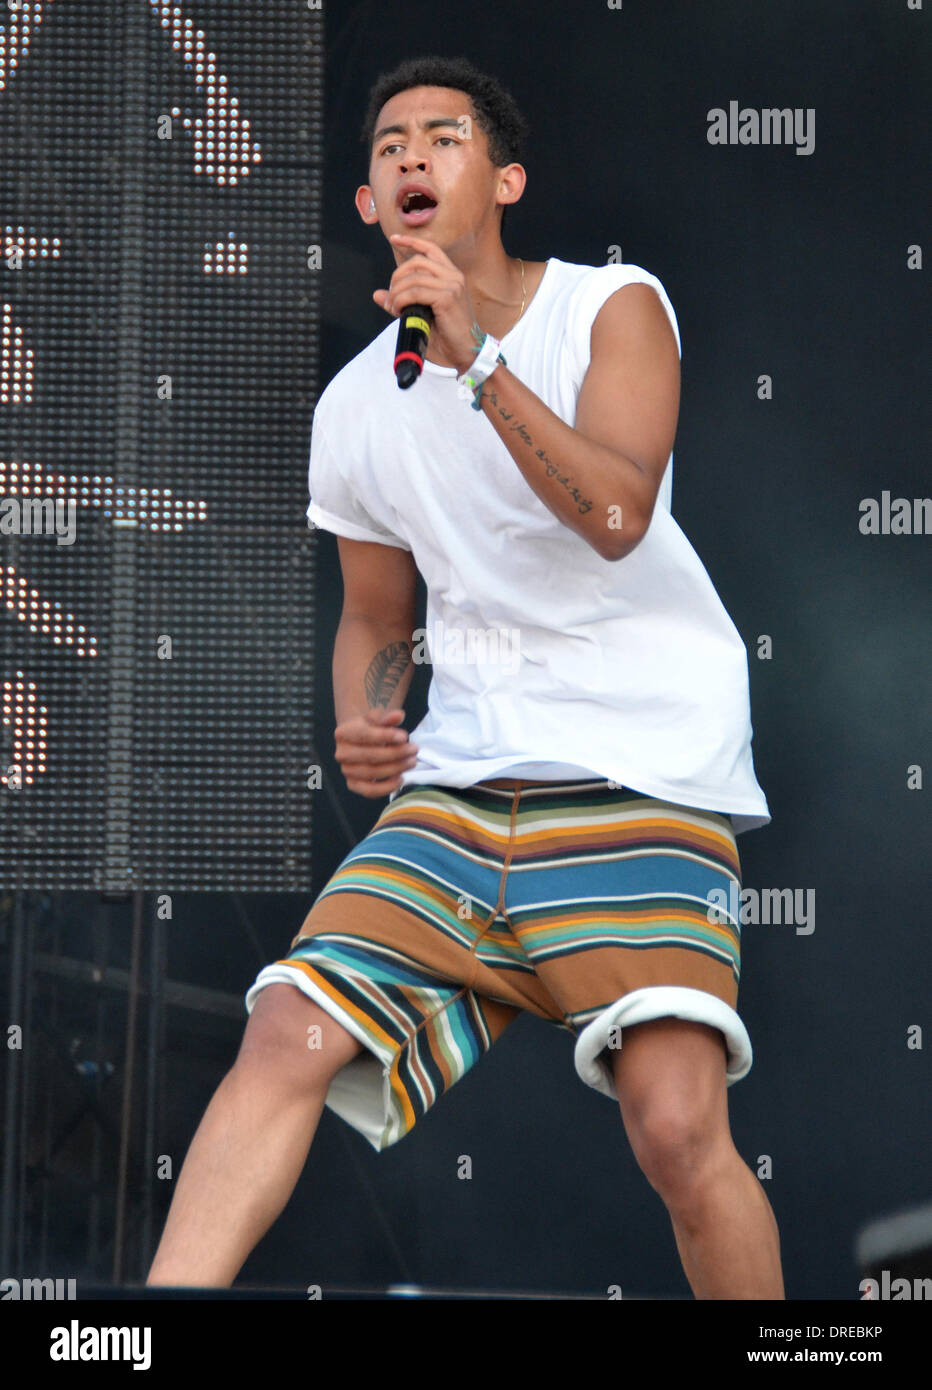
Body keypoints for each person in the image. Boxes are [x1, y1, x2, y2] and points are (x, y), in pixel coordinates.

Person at [147, 54, 784, 1298]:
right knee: (285, 1029)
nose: (410, 156)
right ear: (368, 206)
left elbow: (616, 513)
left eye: (442, 138)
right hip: (457, 788)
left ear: (503, 181)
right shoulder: (354, 406)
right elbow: (376, 617)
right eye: (388, 146)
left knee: (672, 1126)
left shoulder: (609, 306)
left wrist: (479, 359)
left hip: (641, 767)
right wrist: (365, 712)